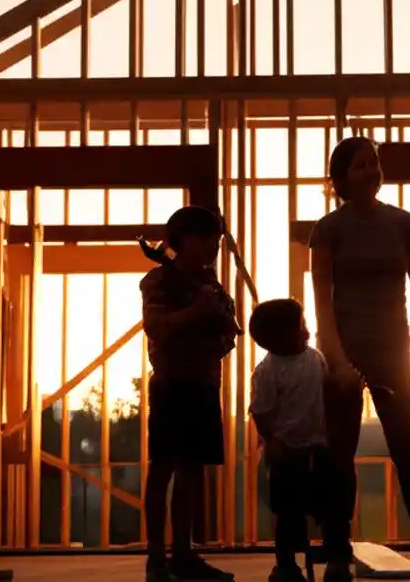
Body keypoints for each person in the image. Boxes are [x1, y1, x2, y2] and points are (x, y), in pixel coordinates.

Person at [309, 136, 410, 578]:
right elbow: (322, 297)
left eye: (374, 163)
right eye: (360, 165)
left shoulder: (404, 223)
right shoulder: (329, 228)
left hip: (397, 350)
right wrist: (335, 357)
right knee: (339, 457)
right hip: (344, 350)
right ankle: (337, 552)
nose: (370, 171)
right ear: (341, 177)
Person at [140, 206, 238, 582]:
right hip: (171, 383)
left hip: (203, 382)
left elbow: (228, 335)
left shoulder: (211, 283)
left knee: (191, 472)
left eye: (216, 238)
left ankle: (182, 555)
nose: (214, 244)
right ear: (184, 240)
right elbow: (156, 327)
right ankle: (155, 559)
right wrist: (197, 312)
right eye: (207, 237)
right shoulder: (159, 281)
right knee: (163, 468)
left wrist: (221, 324)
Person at [249, 299, 351, 582]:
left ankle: (337, 560)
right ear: (282, 334)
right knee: (287, 511)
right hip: (287, 453)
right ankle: (286, 564)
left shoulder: (315, 357)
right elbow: (261, 412)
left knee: (334, 508)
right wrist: (272, 442)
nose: (306, 329)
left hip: (320, 448)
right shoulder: (267, 370)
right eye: (300, 324)